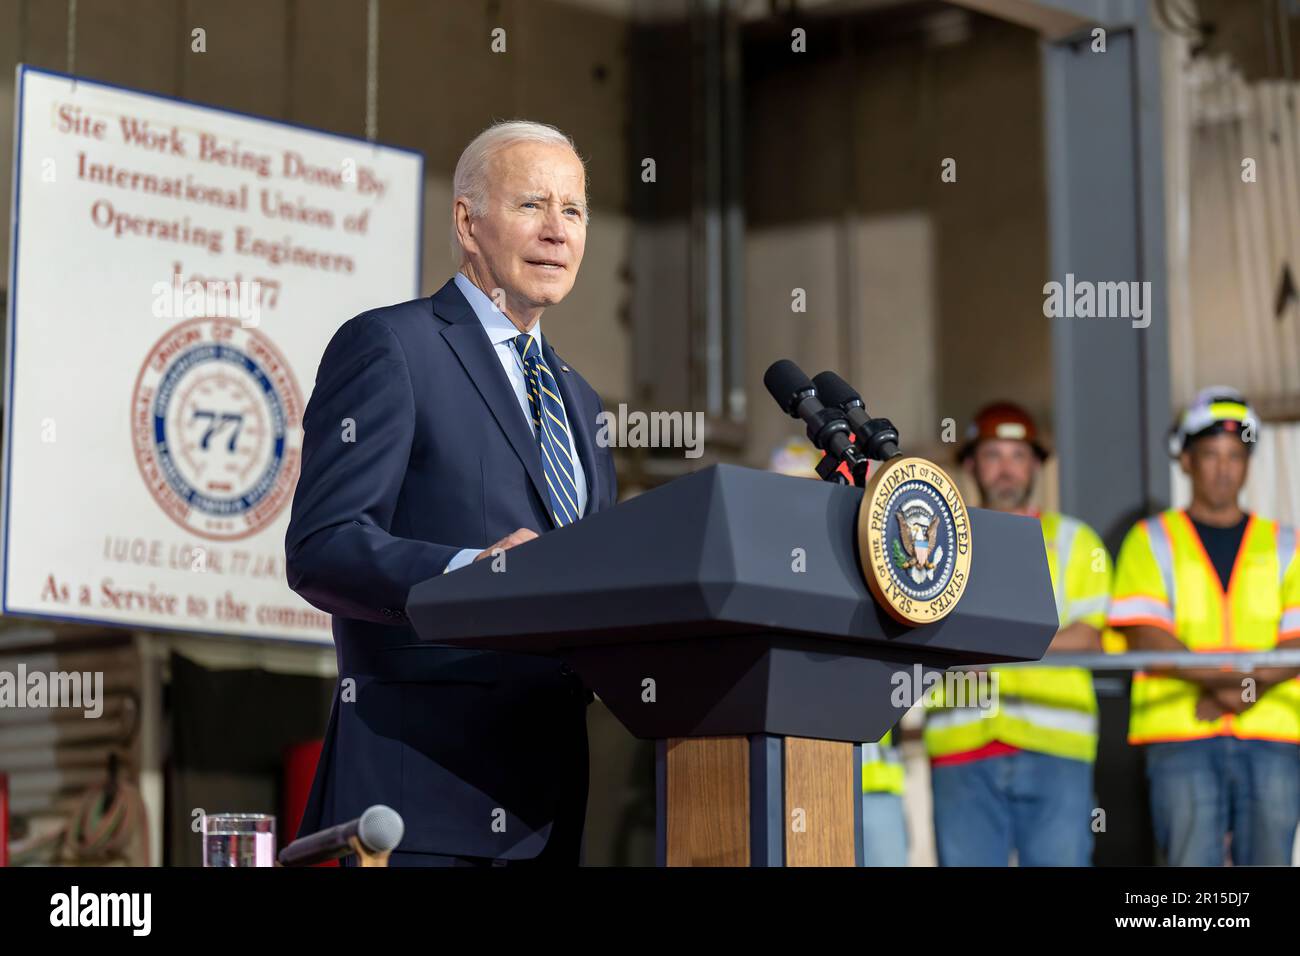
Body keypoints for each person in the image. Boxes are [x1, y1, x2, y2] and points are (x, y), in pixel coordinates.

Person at [285, 120, 618, 866]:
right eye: (532, 205)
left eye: (573, 210)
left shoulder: (582, 401)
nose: (558, 231)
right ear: (468, 223)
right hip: (416, 802)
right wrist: (471, 573)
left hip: (548, 813)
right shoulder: (392, 347)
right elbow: (321, 547)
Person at [1109, 387, 1300, 866]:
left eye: (1235, 456)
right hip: (1181, 739)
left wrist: (1237, 692)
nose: (1224, 468)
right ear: (1186, 460)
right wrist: (1234, 688)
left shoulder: (1287, 543)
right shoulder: (1150, 539)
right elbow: (1145, 634)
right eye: (1211, 455)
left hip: (1274, 739)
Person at [925, 403, 1110, 866]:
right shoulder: (937, 542)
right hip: (959, 746)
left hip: (1056, 745)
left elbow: (1088, 637)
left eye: (1018, 455)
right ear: (971, 464)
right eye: (993, 454)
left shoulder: (1075, 541)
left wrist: (990, 646)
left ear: (1036, 466)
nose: (1006, 469)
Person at [768, 438, 908, 866]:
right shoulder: (765, 569)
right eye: (789, 491)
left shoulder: (862, 555)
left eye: (811, 489)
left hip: (873, 782)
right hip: (797, 781)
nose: (802, 504)